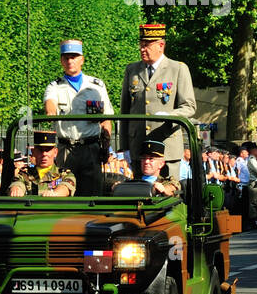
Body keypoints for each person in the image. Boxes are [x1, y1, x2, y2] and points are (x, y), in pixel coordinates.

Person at [120, 21, 196, 181]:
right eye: (141, 44)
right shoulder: (132, 70)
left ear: (161, 45)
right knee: (139, 197)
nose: (142, 49)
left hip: (167, 148)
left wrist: (169, 115)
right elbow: (125, 112)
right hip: (139, 150)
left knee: (169, 194)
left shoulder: (178, 69)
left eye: (147, 45)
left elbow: (189, 106)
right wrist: (124, 147)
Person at [44, 40, 114, 195]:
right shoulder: (54, 86)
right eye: (66, 57)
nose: (70, 61)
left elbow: (106, 120)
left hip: (91, 148)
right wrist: (50, 111)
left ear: (82, 59)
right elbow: (50, 102)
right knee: (62, 192)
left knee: (92, 195)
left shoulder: (96, 85)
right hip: (65, 150)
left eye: (74, 57)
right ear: (61, 60)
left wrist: (106, 146)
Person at [10, 129, 77, 197]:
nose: (44, 154)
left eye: (48, 150)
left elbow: (66, 187)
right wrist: (16, 189)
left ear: (55, 152)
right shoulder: (24, 174)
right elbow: (17, 183)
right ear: (33, 152)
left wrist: (55, 193)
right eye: (40, 150)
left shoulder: (64, 174)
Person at [103, 139, 179, 197]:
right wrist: (116, 188)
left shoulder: (166, 182)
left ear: (161, 164)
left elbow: (173, 190)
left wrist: (163, 190)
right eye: (143, 158)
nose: (146, 162)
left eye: (151, 159)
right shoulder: (129, 180)